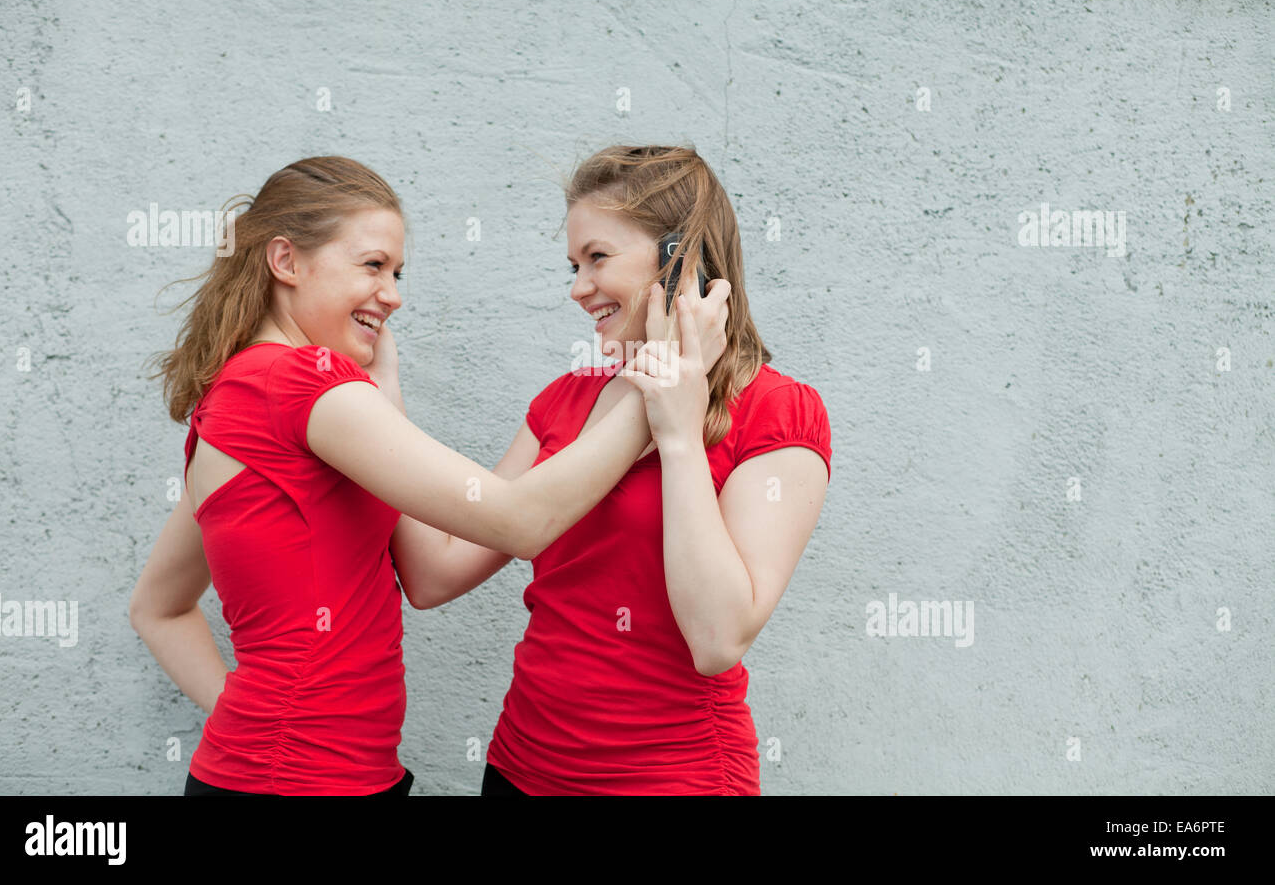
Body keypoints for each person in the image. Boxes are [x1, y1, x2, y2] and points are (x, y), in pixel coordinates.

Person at [128, 155, 730, 796]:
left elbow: (156, 607)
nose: (393, 294)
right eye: (372, 265)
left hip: (291, 775)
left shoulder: (235, 398)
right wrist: (666, 379)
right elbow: (521, 521)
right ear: (286, 262)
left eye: (397, 271)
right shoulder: (301, 382)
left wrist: (255, 725)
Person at [387, 145, 832, 794]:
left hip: (672, 779)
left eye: (598, 258)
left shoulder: (776, 412)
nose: (577, 288)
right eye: (573, 264)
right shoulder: (563, 401)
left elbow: (717, 639)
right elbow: (432, 575)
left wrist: (678, 433)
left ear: (683, 259)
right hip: (520, 769)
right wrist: (378, 401)